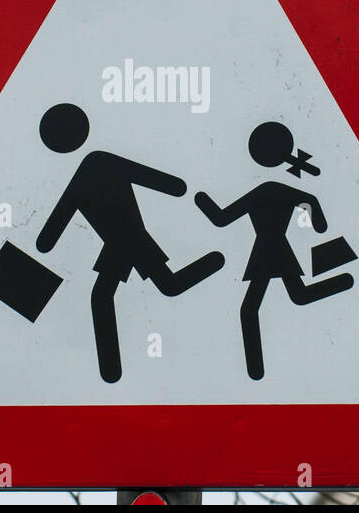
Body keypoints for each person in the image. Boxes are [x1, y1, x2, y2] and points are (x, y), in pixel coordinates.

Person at [36, 103, 224, 383]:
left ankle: (214, 261)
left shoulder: (91, 168)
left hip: (130, 238)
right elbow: (167, 183)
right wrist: (176, 187)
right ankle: (214, 261)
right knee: (131, 292)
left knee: (121, 294)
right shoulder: (98, 163)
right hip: (122, 241)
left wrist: (46, 241)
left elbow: (49, 236)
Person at [195, 121, 353, 380]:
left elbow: (222, 218)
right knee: (295, 296)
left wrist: (202, 200)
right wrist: (319, 224)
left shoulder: (265, 190)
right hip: (273, 248)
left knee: (251, 309)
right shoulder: (276, 189)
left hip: (268, 249)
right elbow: (310, 201)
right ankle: (342, 282)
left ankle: (255, 371)